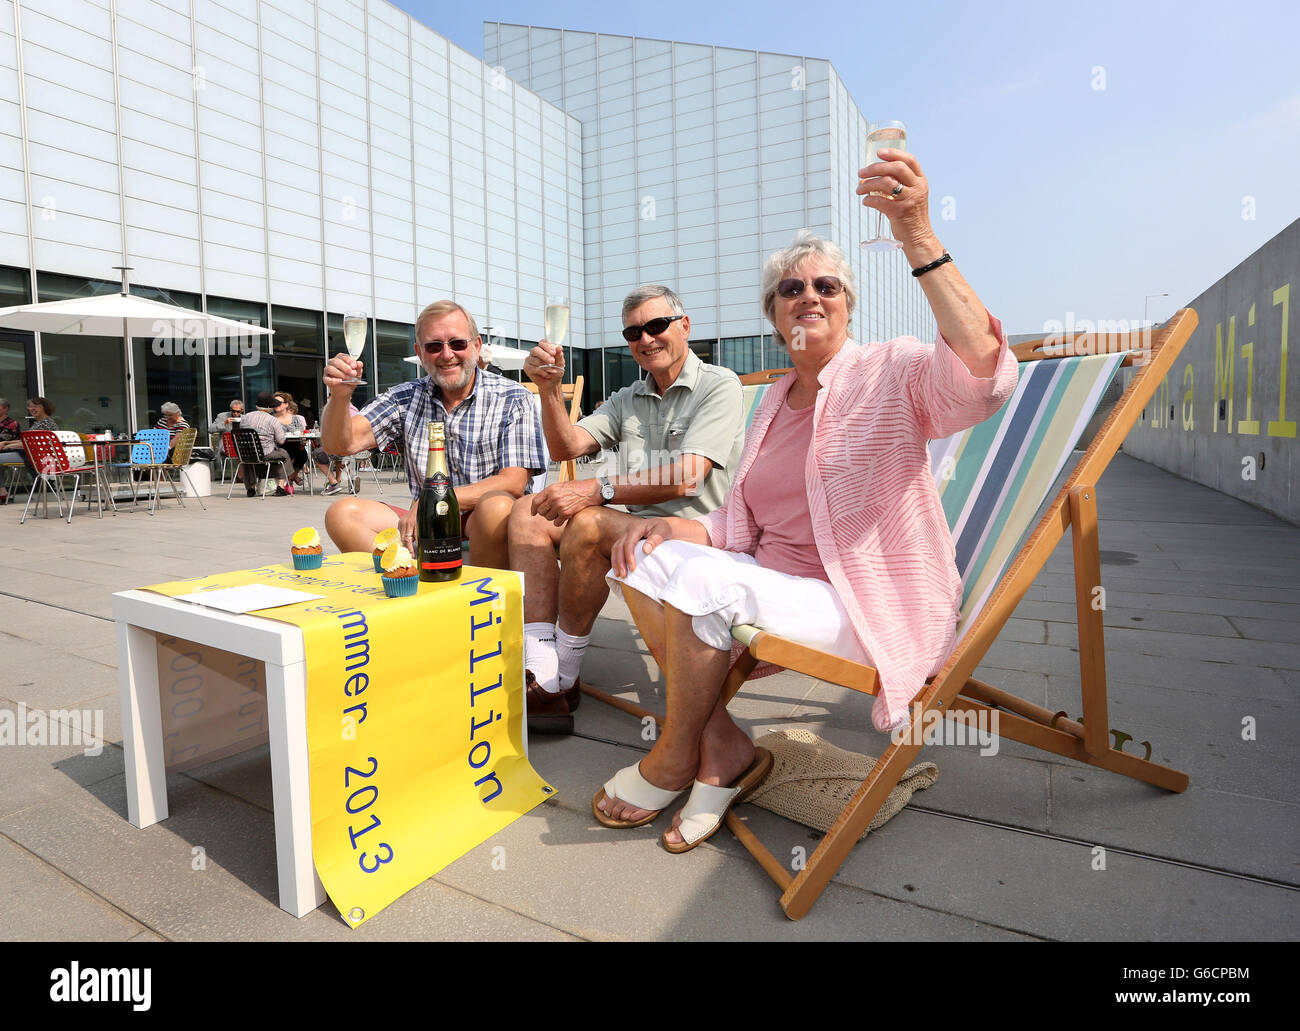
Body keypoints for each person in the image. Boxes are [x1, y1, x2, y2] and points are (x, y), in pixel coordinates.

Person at [591, 148, 1019, 853]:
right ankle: (721, 746)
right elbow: (740, 520)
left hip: (865, 603)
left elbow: (982, 378)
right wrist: (674, 525)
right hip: (781, 585)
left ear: (849, 304)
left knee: (702, 587)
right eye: (791, 289)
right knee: (637, 556)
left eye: (827, 285)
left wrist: (917, 233)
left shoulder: (893, 371)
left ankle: (674, 756)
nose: (809, 296)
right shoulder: (772, 405)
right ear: (773, 313)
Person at [511, 285, 744, 735]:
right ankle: (542, 666)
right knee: (527, 510)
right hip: (637, 525)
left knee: (590, 523)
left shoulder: (719, 385)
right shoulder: (627, 397)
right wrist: (547, 391)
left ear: (685, 327)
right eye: (633, 332)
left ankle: (564, 674)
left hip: (694, 534)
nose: (645, 339)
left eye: (657, 325)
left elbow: (688, 477)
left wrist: (597, 489)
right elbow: (565, 447)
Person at [321, 299, 546, 567]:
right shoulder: (404, 397)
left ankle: (481, 599)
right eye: (434, 346)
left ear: (476, 346)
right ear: (420, 352)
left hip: (487, 522)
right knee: (343, 514)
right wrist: (340, 395)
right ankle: (409, 580)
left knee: (494, 507)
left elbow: (513, 483)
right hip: (429, 521)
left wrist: (434, 499)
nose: (446, 354)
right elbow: (340, 445)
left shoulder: (512, 397)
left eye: (457, 344)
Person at [238, 391, 294, 496]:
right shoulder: (273, 420)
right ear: (270, 407)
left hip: (247, 453)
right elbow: (281, 440)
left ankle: (250, 488)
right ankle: (280, 487)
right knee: (283, 453)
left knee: (249, 459)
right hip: (265, 453)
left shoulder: (245, 417)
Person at [274, 391, 309, 485]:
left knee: (303, 454)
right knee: (288, 452)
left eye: (278, 402)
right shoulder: (272, 419)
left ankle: (290, 478)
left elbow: (302, 433)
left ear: (286, 404)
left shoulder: (295, 418)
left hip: (296, 446)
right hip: (279, 447)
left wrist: (303, 441)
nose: (275, 405)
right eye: (274, 402)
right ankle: (291, 479)